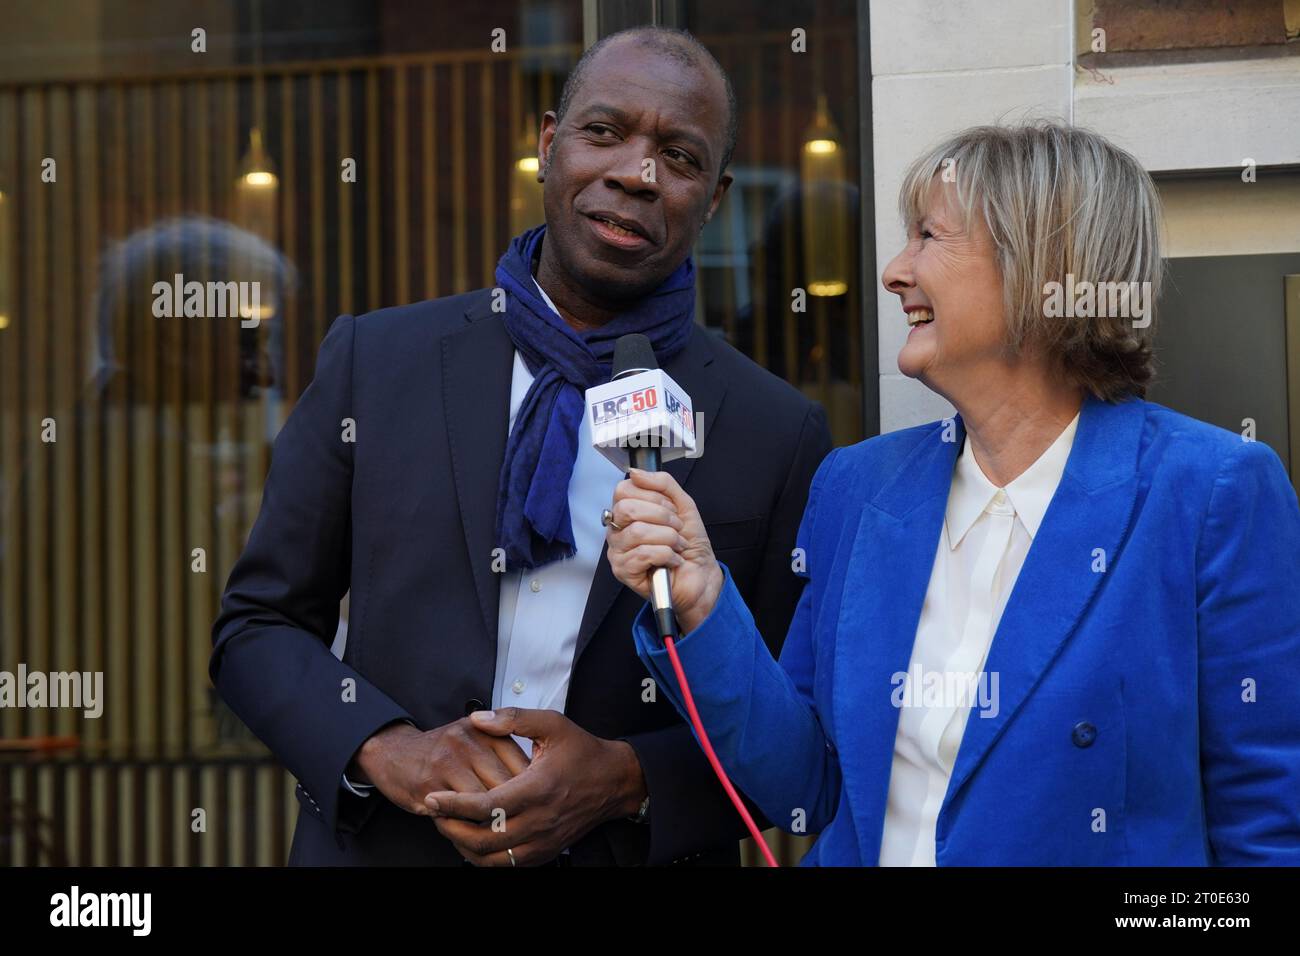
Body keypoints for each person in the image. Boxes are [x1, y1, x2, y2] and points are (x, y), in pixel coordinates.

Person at [596, 122, 1300, 865]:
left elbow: (1267, 829)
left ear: (1041, 263)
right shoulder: (856, 486)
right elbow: (804, 784)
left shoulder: (1213, 491)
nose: (894, 271)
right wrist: (704, 599)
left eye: (928, 237)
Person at [210, 25, 831, 866]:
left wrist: (626, 778)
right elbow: (258, 628)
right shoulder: (377, 364)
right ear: (548, 145)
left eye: (678, 158)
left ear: (714, 198)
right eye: (603, 133)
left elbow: (794, 742)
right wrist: (388, 750)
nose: (633, 174)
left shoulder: (775, 430)